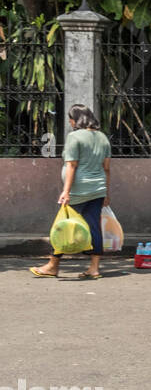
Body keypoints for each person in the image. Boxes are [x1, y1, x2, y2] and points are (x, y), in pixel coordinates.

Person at [31, 104, 111, 281]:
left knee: (61, 226)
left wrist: (66, 191)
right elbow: (106, 168)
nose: (70, 121)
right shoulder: (103, 137)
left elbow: (72, 165)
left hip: (78, 190)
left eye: (70, 118)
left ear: (76, 119)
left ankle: (52, 265)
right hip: (97, 189)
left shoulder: (74, 137)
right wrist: (106, 192)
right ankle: (94, 268)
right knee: (94, 227)